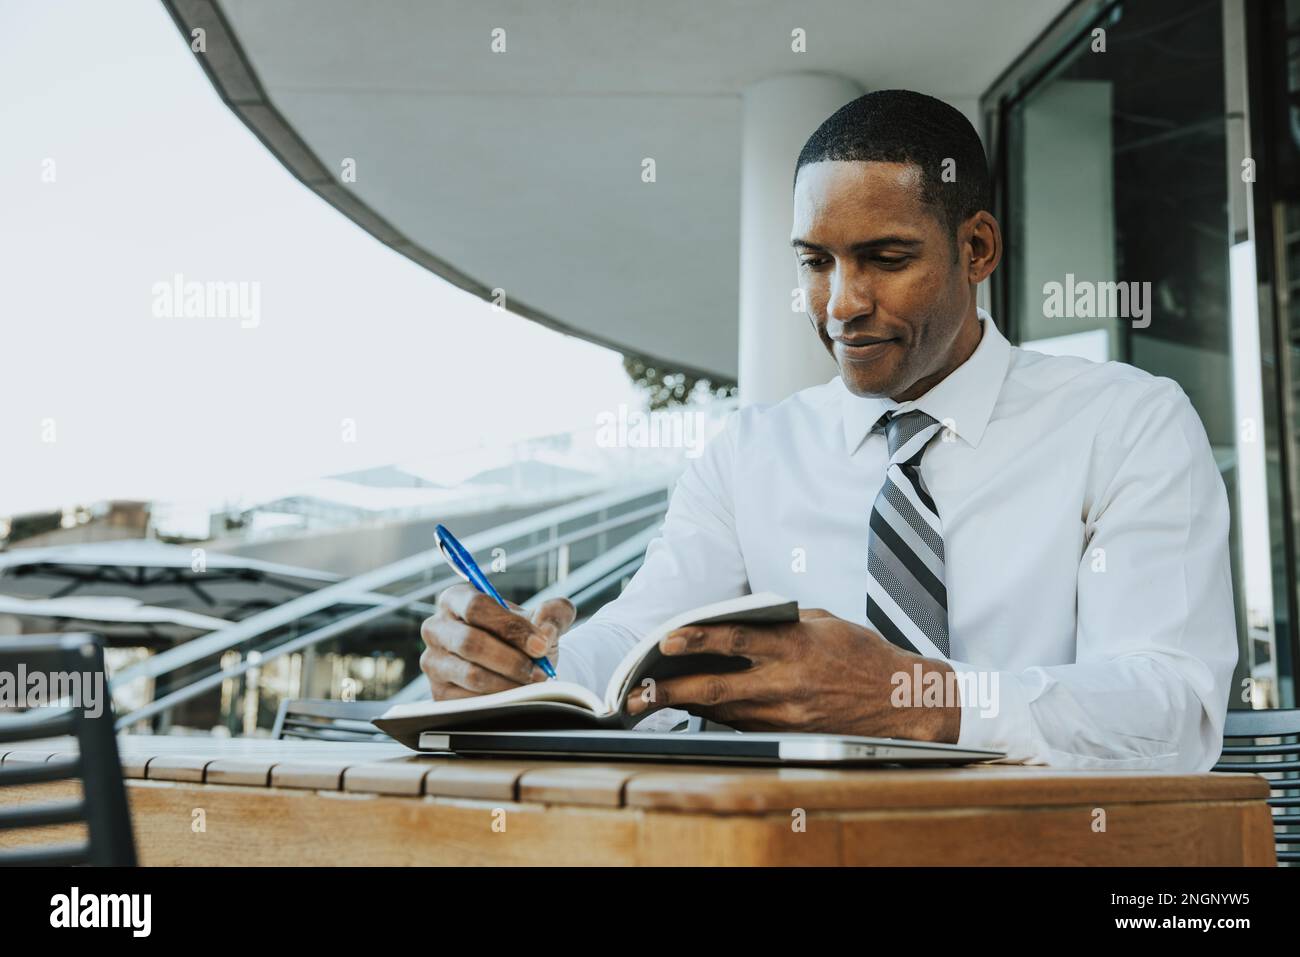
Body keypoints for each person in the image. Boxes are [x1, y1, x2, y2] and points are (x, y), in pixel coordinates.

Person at [419, 89, 1237, 770]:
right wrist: (524, 671)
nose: (842, 303)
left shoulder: (1126, 422)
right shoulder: (750, 453)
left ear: (977, 248)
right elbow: (640, 638)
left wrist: (913, 698)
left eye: (885, 258)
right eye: (816, 262)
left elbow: (1171, 708)